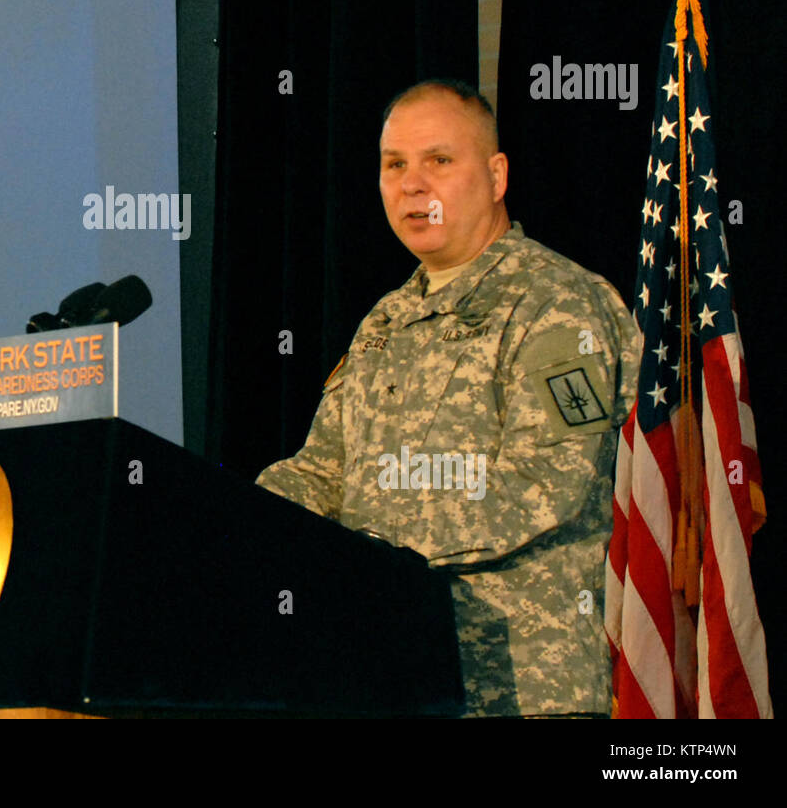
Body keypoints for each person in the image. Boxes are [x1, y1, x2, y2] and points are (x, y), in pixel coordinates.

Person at [256, 80, 641, 717]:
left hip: (522, 690)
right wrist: (235, 520)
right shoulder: (387, 319)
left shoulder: (555, 302)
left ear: (495, 176)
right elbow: (324, 473)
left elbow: (545, 483)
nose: (413, 184)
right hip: (394, 680)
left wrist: (368, 542)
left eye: (439, 161)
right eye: (394, 164)